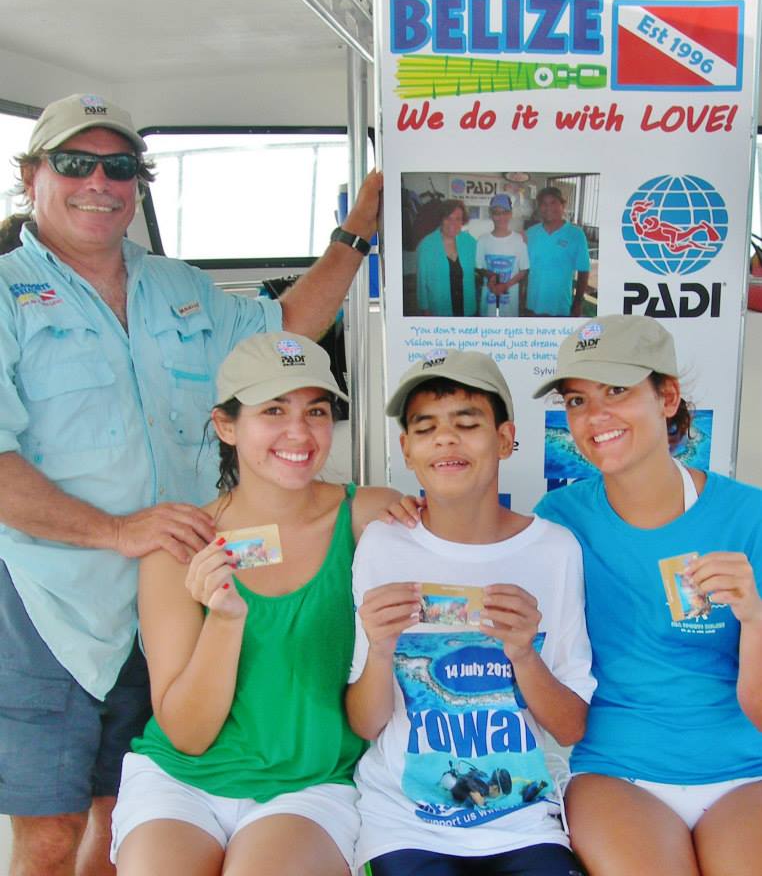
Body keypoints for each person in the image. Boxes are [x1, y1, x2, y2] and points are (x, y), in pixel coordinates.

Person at [0, 92, 380, 876]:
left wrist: (354, 238)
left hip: (180, 588)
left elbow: (282, 338)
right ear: (32, 175)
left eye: (119, 166)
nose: (98, 182)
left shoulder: (182, 286)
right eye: (75, 163)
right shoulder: (5, 295)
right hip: (51, 602)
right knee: (47, 832)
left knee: (118, 815)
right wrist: (115, 531)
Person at [110, 331, 404, 876]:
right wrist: (224, 620)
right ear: (227, 426)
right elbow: (189, 735)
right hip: (181, 779)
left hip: (310, 784)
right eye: (274, 410)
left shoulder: (369, 517)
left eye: (316, 410)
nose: (299, 431)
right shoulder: (179, 546)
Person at [346, 350, 595, 875]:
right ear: (406, 450)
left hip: (525, 818)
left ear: (505, 438)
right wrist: (381, 647)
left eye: (467, 423)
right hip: (405, 819)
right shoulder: (382, 545)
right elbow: (365, 722)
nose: (446, 439)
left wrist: (525, 655)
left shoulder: (555, 550)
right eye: (426, 427)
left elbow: (571, 727)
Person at [533, 315, 762, 876]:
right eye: (577, 400)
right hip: (616, 771)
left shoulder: (749, 516)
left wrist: (755, 619)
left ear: (667, 397)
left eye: (616, 391)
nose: (595, 416)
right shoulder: (556, 521)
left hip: (746, 770)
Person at [525, 187, 589, 318]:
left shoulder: (576, 234)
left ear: (563, 205)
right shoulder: (529, 234)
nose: (548, 208)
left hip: (561, 307)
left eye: (553, 202)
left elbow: (583, 271)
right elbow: (524, 270)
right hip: (532, 305)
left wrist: (577, 304)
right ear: (539, 207)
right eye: (544, 204)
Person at [415, 199, 478, 317]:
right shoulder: (426, 245)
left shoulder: (470, 242)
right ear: (441, 219)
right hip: (439, 310)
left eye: (458, 219)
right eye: (448, 218)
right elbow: (421, 281)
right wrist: (425, 309)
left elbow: (481, 266)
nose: (453, 223)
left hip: (467, 309)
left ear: (463, 221)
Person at [475, 194, 529, 318]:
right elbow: (479, 267)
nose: (500, 217)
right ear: (490, 214)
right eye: (496, 212)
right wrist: (490, 276)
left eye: (505, 212)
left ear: (510, 214)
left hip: (510, 304)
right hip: (488, 302)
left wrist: (506, 285)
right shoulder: (482, 240)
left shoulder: (518, 240)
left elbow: (524, 270)